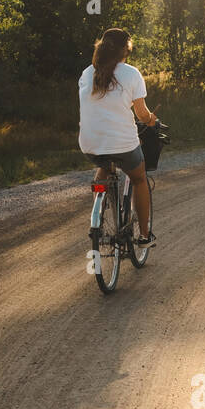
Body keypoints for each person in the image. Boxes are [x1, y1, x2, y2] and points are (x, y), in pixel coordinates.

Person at [78, 28, 156, 250]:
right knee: (139, 178)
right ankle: (144, 235)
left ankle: (98, 220)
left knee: (104, 165)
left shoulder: (86, 73)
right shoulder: (131, 73)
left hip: (90, 144)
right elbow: (141, 114)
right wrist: (150, 120)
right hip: (122, 145)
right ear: (126, 50)